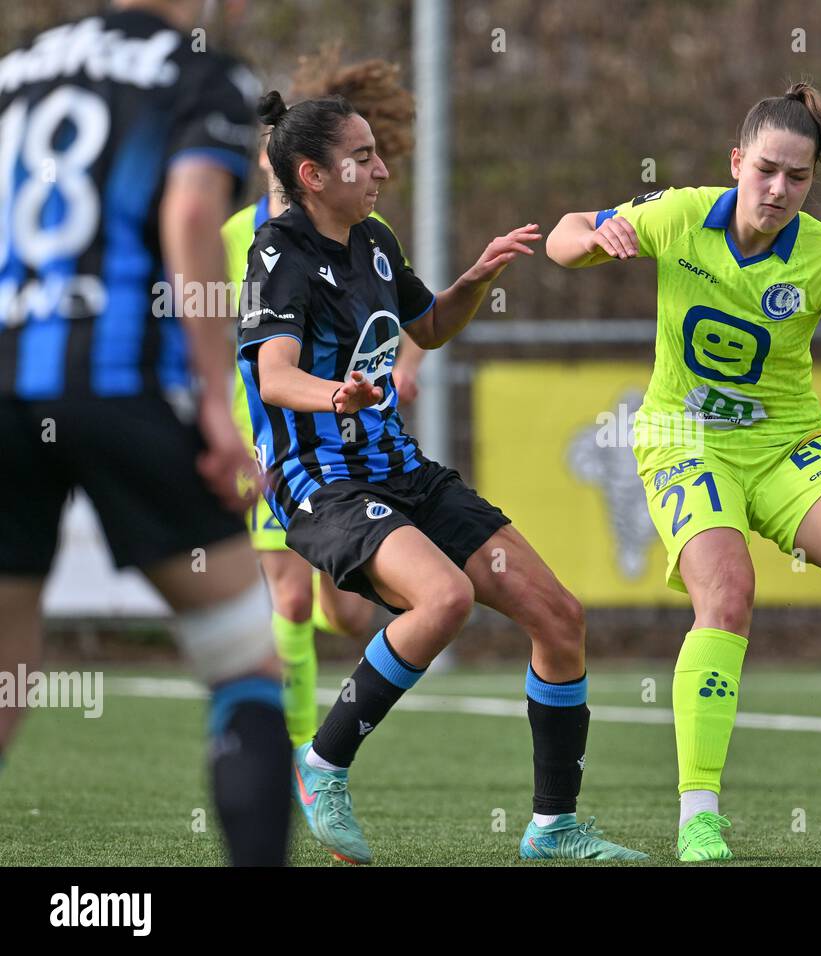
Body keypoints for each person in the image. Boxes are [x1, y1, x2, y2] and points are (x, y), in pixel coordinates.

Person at [547, 82, 821, 860]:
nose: (778, 189)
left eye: (797, 177)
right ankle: (698, 812)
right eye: (766, 170)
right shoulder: (678, 215)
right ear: (737, 162)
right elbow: (563, 236)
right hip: (683, 437)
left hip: (784, 443)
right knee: (727, 594)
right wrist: (598, 238)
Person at [238, 90, 646, 864]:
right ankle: (321, 764)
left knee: (560, 617)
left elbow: (427, 327)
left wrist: (476, 280)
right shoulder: (277, 253)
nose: (382, 171)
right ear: (313, 175)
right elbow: (275, 377)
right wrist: (337, 395)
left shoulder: (374, 240)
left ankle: (553, 826)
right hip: (321, 481)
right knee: (445, 597)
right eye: (362, 158)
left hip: (399, 468)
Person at [0, 0, 290, 865]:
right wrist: (215, 403)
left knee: (7, 659)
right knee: (244, 659)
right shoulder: (198, 72)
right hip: (120, 386)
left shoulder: (17, 69)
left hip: (5, 380)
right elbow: (194, 215)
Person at [224, 49, 423, 748]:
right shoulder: (239, 237)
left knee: (346, 617)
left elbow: (403, 317)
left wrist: (405, 364)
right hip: (271, 442)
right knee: (285, 595)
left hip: (353, 450)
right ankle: (300, 752)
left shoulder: (361, 235)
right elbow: (211, 337)